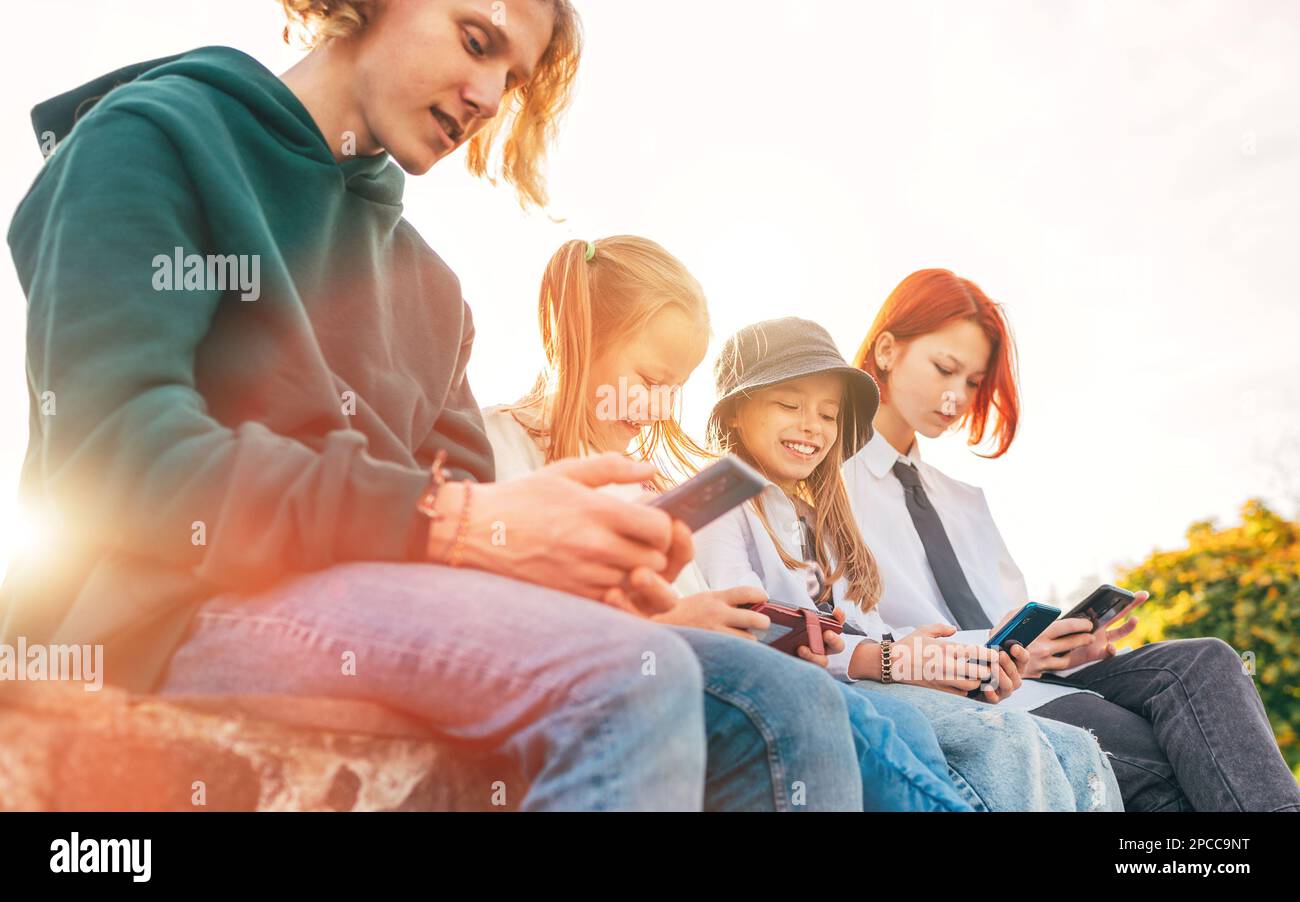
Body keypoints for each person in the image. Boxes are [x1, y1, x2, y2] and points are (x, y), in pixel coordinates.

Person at [4, 0, 858, 811]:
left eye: (512, 79)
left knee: (782, 701)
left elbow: (460, 528)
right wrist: (454, 523)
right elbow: (112, 455)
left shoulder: (435, 291)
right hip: (169, 607)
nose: (488, 98)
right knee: (622, 679)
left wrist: (574, 575)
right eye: (476, 40)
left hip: (367, 610)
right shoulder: (151, 139)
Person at [482, 235, 972, 810]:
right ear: (577, 340)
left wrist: (779, 637)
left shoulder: (649, 487)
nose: (661, 408)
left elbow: (705, 610)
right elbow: (501, 611)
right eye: (648, 381)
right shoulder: (498, 448)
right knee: (832, 709)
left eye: (675, 390)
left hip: (699, 675)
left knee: (892, 722)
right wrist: (673, 625)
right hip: (617, 683)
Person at [846, 267, 1300, 812]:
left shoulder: (963, 500)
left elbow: (1015, 616)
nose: (957, 397)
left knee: (1207, 661)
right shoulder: (828, 485)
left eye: (972, 381)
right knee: (1172, 762)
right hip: (966, 690)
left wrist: (1068, 646)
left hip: (1041, 676)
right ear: (888, 349)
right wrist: (996, 648)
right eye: (946, 369)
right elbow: (860, 642)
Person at [694, 317, 1123, 811]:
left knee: (1077, 747)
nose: (811, 425)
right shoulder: (721, 498)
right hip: (827, 691)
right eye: (789, 405)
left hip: (875, 679)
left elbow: (873, 632)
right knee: (1009, 740)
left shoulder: (822, 516)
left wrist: (948, 661)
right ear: (733, 414)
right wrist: (891, 661)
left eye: (829, 414)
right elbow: (754, 626)